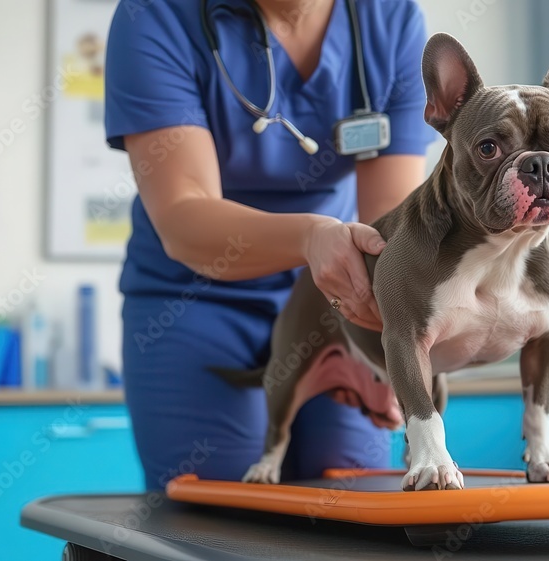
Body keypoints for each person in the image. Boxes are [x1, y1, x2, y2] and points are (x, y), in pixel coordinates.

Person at [104, 0, 436, 490]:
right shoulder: (155, 15)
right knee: (215, 516)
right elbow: (182, 212)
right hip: (195, 301)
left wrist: (392, 337)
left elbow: (391, 222)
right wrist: (308, 236)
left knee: (349, 498)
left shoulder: (389, 18)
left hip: (339, 294)